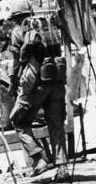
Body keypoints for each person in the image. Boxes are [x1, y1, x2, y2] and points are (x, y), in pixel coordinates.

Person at [10, 38, 67, 176]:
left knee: (19, 122)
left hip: (36, 83)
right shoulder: (51, 22)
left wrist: (13, 80)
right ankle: (62, 167)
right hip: (56, 79)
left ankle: (38, 159)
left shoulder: (20, 30)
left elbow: (17, 58)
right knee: (56, 124)